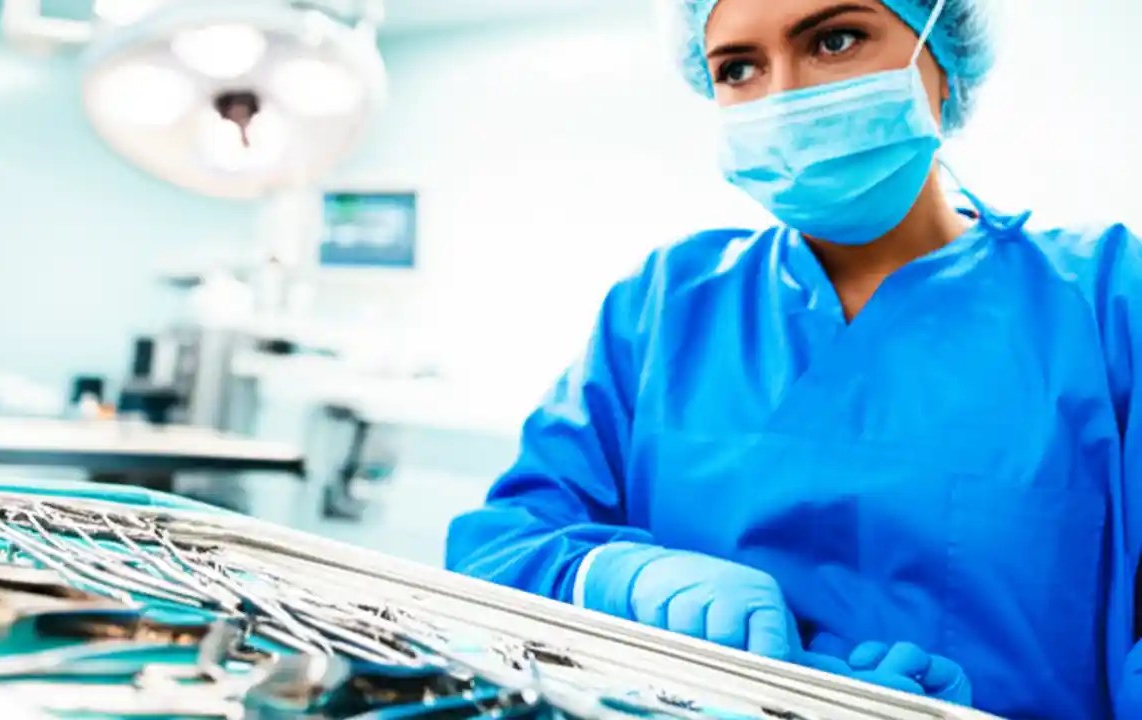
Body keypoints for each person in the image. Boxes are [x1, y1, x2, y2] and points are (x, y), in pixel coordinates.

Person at [443, 0, 1142, 718]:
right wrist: (623, 576)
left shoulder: (1109, 302)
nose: (784, 97)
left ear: (944, 59)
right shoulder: (664, 305)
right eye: (739, 67)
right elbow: (498, 549)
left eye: (836, 40)